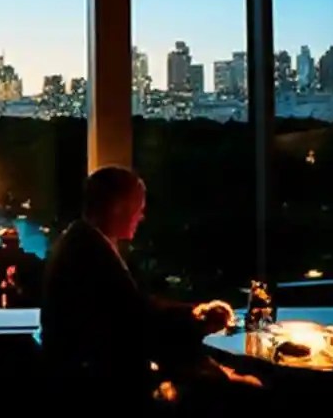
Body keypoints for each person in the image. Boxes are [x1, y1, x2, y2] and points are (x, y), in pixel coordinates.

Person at [41, 166, 253, 401]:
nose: (142, 216)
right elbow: (138, 325)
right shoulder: (89, 252)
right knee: (243, 391)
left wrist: (196, 313)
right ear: (118, 207)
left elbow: (133, 309)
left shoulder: (81, 241)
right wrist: (198, 322)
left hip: (82, 379)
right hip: (98, 391)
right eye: (138, 208)